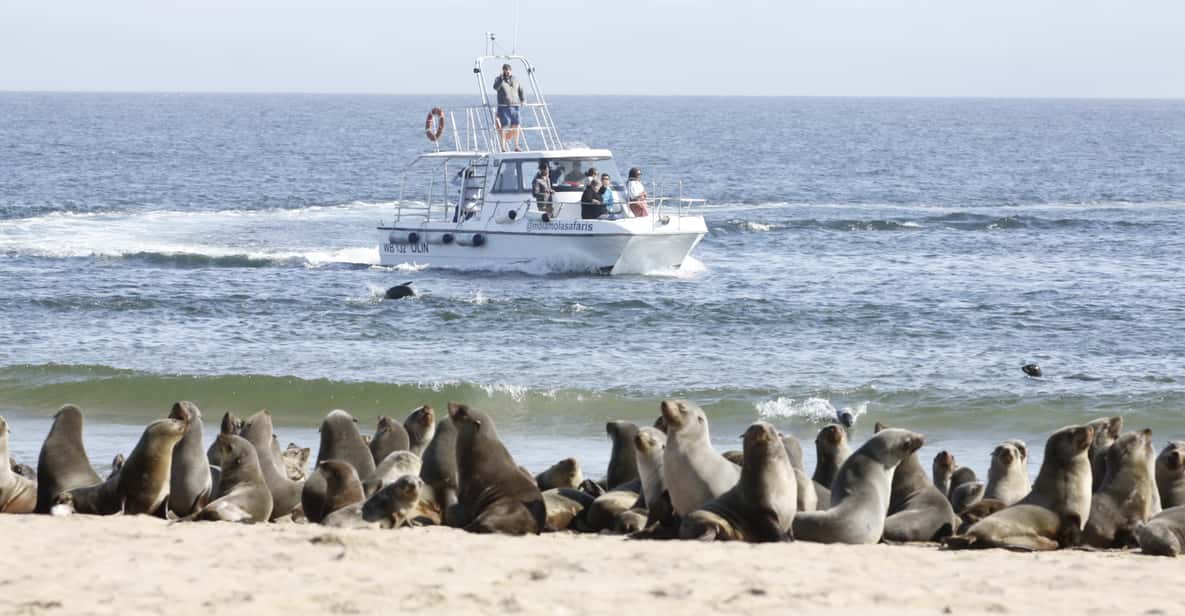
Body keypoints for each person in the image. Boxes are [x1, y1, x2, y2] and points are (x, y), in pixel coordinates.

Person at [492, 64, 524, 151]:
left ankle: (516, 146)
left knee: (516, 125)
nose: (507, 71)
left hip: (515, 107)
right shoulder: (498, 79)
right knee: (504, 126)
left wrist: (522, 99)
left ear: (511, 70)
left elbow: (520, 89)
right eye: (505, 70)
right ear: (503, 70)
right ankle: (503, 147)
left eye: (508, 70)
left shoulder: (515, 79)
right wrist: (501, 78)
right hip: (504, 107)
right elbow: (495, 87)